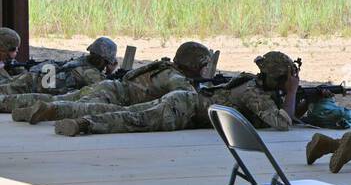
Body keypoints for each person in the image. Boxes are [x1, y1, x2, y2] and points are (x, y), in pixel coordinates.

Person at [51, 50, 299, 137]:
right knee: (135, 120)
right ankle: (84, 124)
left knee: (130, 113)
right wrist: (292, 92)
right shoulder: (253, 93)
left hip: (185, 102)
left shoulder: (248, 84)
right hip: (186, 109)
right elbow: (282, 123)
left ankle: (79, 120)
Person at [13, 41, 211, 123]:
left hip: (110, 87)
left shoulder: (162, 67)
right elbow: (189, 101)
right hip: (114, 95)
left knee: (61, 97)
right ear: (194, 64)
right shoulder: (175, 78)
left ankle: (26, 104)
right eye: (203, 65)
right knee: (81, 109)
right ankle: (50, 110)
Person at [0, 37, 118, 109]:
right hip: (36, 86)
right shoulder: (91, 73)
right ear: (105, 60)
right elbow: (107, 88)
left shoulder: (81, 61)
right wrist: (109, 72)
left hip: (34, 78)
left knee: (5, 87)